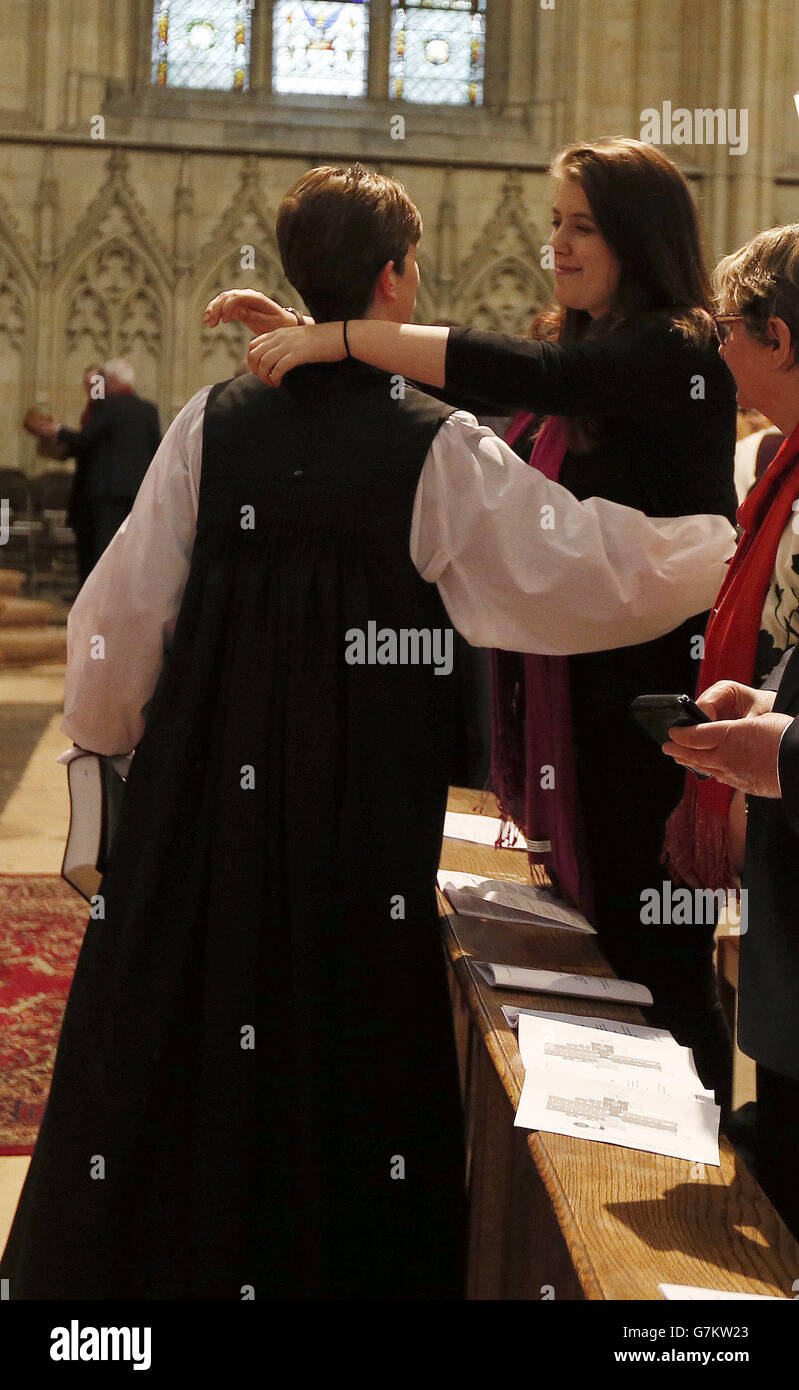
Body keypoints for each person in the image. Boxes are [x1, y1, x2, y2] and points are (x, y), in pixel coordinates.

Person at [0, 164, 734, 1301]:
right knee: (343, 1036)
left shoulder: (211, 419)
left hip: (206, 789)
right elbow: (571, 572)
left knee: (181, 1015)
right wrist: (711, 552)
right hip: (358, 802)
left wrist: (108, 749)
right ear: (396, 278)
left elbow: (117, 614)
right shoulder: (434, 444)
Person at [209, 139, 739, 1111]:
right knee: (594, 934)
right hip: (579, 678)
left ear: (638, 234)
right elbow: (458, 392)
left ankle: (708, 1166)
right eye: (555, 222)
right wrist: (320, 337)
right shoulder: (586, 345)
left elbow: (528, 372)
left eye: (582, 224)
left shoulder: (676, 346)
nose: (559, 244)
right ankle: (613, 1141)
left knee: (654, 946)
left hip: (655, 698)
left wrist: (340, 339)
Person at [29, 358, 161, 571]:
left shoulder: (106, 406)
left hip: (104, 493)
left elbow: (86, 439)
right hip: (137, 491)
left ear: (111, 380)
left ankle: (95, 601)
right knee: (128, 551)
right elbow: (156, 449)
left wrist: (57, 430)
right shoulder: (148, 410)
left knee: (100, 553)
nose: (96, 387)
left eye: (100, 382)